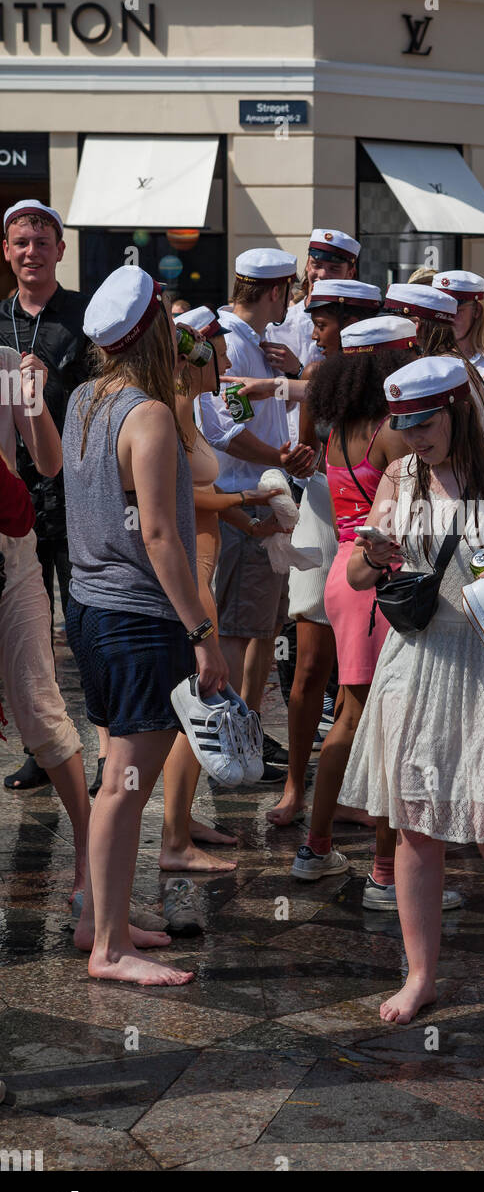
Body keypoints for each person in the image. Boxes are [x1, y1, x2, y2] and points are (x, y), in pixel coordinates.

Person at [339, 355, 484, 1022]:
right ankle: (420, 976)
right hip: (414, 664)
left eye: (425, 423)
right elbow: (359, 574)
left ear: (459, 410)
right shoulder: (398, 476)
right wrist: (373, 555)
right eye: (405, 426)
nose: (415, 438)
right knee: (416, 828)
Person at [63, 266, 232, 986]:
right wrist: (202, 633)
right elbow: (161, 536)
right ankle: (108, 949)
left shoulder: (81, 399)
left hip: (88, 607)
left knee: (116, 777)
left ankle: (98, 921)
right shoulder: (151, 414)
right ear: (160, 331)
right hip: (138, 618)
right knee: (126, 786)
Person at [290, 317, 462, 911]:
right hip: (380, 581)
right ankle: (387, 874)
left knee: (353, 712)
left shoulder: (341, 427)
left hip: (346, 571)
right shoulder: (393, 435)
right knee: (383, 724)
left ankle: (316, 848)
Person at [160, 306, 290, 872]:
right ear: (196, 358)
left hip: (205, 559)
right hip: (192, 570)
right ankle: (172, 841)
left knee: (201, 693)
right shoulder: (170, 414)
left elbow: (204, 489)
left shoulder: (192, 409)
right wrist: (247, 502)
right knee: (206, 692)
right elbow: (186, 500)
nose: (230, 357)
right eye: (218, 347)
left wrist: (251, 523)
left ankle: (181, 821)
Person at [270, 280, 386, 827]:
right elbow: (309, 451)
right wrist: (300, 462)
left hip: (370, 529)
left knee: (360, 672)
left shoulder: (388, 384)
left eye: (325, 317)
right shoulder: (316, 378)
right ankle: (297, 785)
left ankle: (347, 791)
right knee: (310, 662)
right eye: (314, 315)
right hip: (321, 519)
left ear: (356, 321)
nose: (313, 325)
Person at [197, 249, 315, 776]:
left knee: (262, 629)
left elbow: (254, 413)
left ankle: (247, 732)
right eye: (288, 291)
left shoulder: (249, 343)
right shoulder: (228, 342)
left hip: (258, 496)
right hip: (242, 498)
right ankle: (234, 739)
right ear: (275, 292)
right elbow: (224, 431)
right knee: (240, 633)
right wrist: (279, 458)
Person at [0, 200, 91, 792]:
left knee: (86, 624)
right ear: (7, 252)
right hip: (13, 505)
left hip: (78, 490)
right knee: (36, 635)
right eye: (20, 242)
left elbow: (103, 394)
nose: (32, 251)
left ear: (60, 250)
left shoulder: (85, 318)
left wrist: (48, 383)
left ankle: (106, 740)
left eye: (42, 241)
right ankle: (46, 747)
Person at [0, 341, 90, 899]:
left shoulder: (7, 364)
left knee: (39, 699)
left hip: (9, 547)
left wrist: (33, 399)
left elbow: (51, 463)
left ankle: (90, 859)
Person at [268, 229, 362, 445]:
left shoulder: (357, 327)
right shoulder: (279, 323)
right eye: (317, 265)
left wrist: (299, 372)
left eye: (334, 268)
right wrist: (293, 378)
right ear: (307, 265)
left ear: (350, 273)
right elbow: (271, 401)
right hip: (285, 443)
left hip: (338, 443)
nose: (322, 274)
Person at [385, 282, 484, 431]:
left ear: (415, 325)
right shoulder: (451, 362)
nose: (386, 327)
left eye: (393, 321)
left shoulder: (435, 371)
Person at [431, 270, 484, 378]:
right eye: (438, 311)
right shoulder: (427, 355)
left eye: (454, 311)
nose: (445, 318)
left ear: (477, 310)